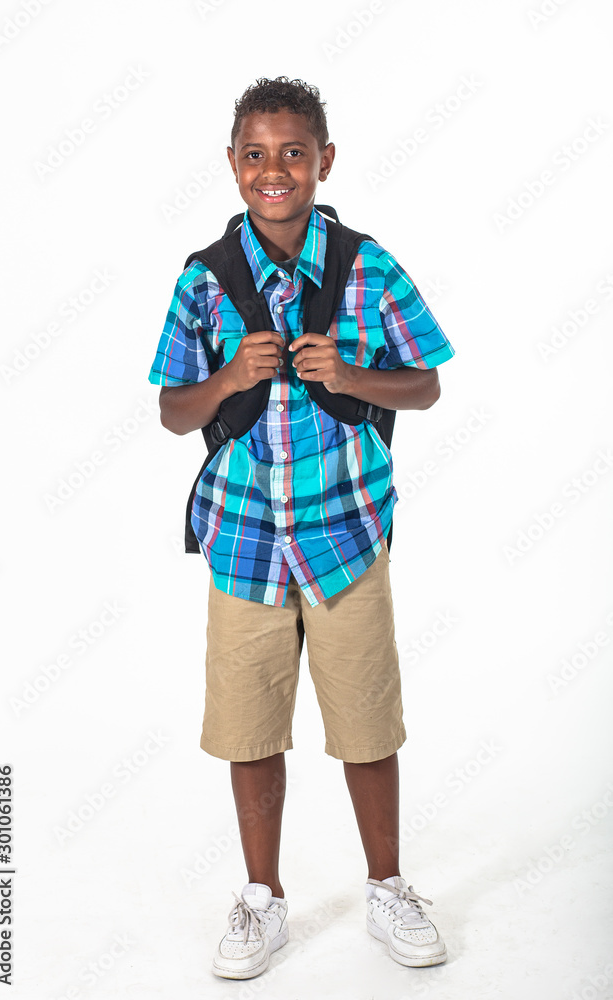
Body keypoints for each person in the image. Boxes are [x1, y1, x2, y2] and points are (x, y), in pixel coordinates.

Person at [148, 76, 455, 981]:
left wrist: (354, 377)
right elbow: (174, 411)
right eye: (255, 154)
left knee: (366, 720)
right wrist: (227, 383)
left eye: (292, 153)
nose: (273, 170)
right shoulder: (205, 279)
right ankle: (260, 898)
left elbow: (426, 383)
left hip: (344, 535)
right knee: (250, 727)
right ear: (233, 166)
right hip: (243, 539)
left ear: (324, 160)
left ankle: (388, 886)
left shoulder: (368, 268)